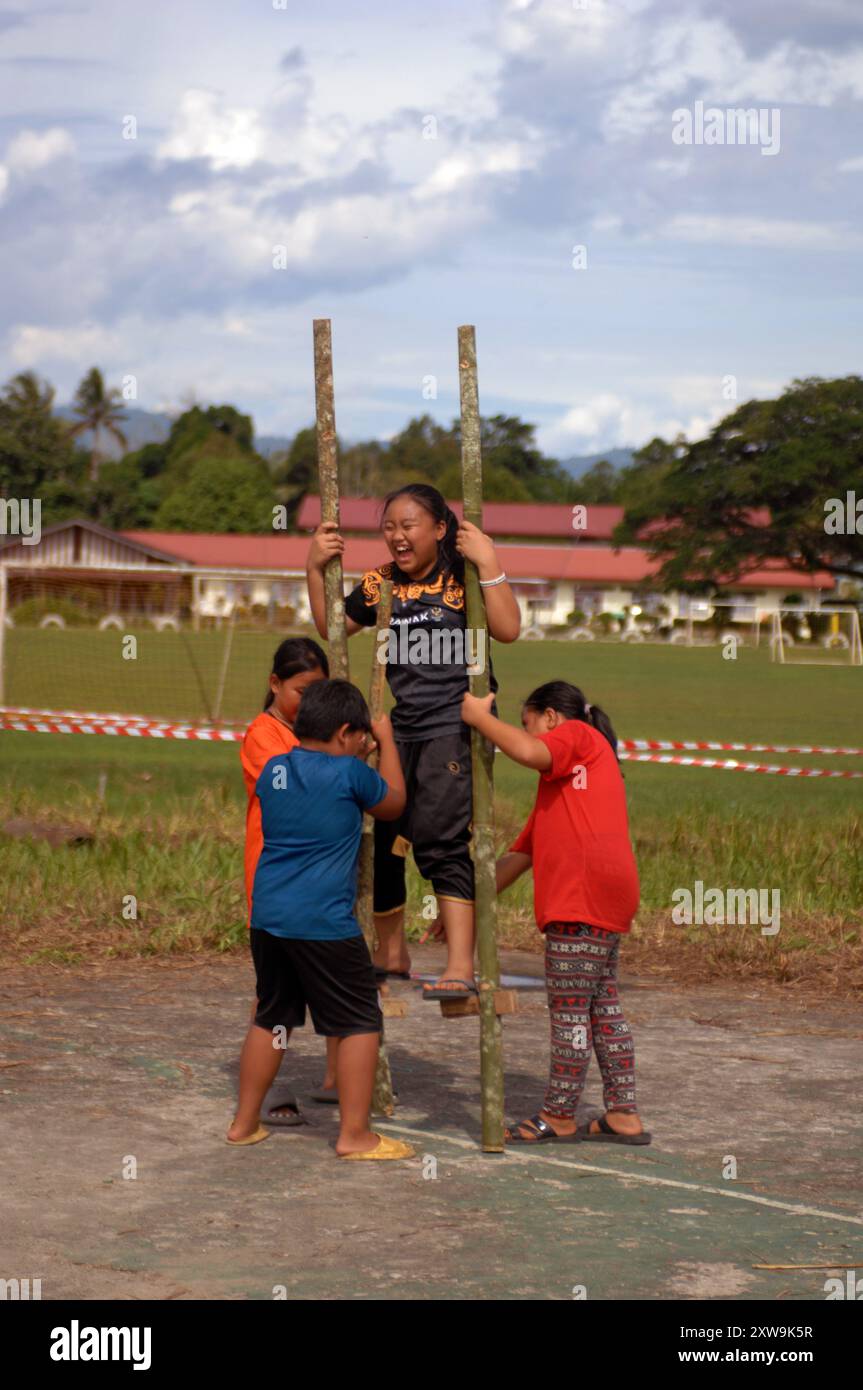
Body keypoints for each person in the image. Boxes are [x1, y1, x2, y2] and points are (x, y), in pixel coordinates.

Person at [306, 483, 520, 999]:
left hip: (454, 727)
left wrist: (488, 560)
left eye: (409, 526)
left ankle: (460, 965)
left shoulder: (463, 577)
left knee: (440, 839)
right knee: (385, 833)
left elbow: (509, 629)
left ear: (440, 529)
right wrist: (313, 568)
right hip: (399, 729)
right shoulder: (379, 584)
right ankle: (391, 951)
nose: (397, 537)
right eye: (389, 527)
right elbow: (331, 627)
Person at [227, 678, 414, 1159]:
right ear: (347, 734)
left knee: (273, 1017)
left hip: (268, 918)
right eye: (360, 739)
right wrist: (387, 741)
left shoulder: (275, 772)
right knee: (358, 1020)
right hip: (324, 923)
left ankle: (244, 1123)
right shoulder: (349, 775)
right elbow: (394, 801)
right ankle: (354, 1135)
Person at [460, 679, 650, 1147]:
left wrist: (479, 718)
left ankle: (559, 1115)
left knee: (569, 1014)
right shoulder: (563, 785)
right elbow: (518, 859)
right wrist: (460, 907)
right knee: (602, 1007)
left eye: (531, 724)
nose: (532, 736)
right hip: (604, 897)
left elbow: (529, 752)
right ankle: (623, 1114)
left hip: (580, 897)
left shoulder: (580, 737)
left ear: (550, 717)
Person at [240, 636, 338, 1117]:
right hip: (276, 881)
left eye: (319, 691)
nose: (309, 702)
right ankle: (264, 1089)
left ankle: (342, 1078)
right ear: (275, 684)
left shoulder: (313, 736)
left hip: (320, 881)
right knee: (275, 997)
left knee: (336, 985)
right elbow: (299, 787)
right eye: (301, 690)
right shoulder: (263, 735)